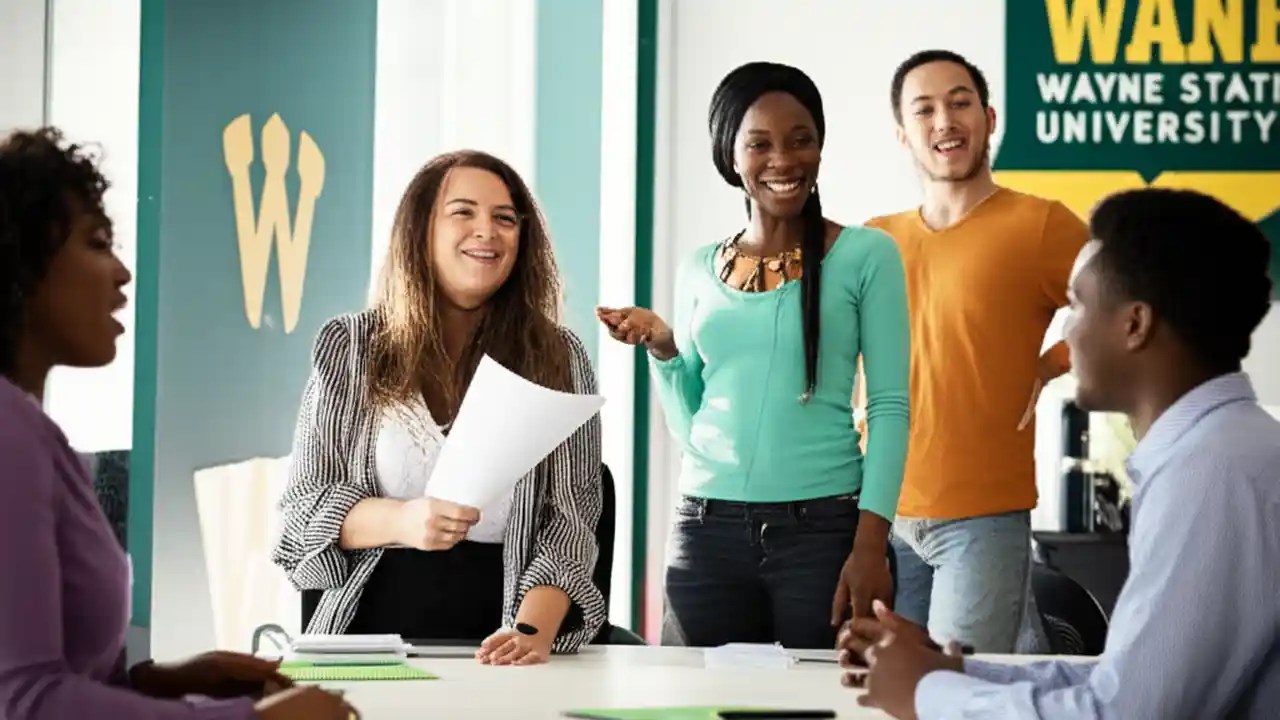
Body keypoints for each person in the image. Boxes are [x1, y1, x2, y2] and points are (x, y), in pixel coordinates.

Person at [843, 187, 1280, 719]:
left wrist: (927, 696)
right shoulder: (1219, 453)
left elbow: (1123, 713)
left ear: (1134, 325)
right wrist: (954, 673)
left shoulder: (1211, 477)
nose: (1066, 332)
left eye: (1075, 305)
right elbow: (1123, 678)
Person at [0, 128, 353, 719]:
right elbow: (25, 702)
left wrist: (169, 682)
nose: (121, 273)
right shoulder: (8, 437)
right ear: (23, 262)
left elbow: (69, 674)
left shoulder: (33, 433)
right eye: (96, 243)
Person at [598, 61, 910, 649]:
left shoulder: (868, 255)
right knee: (699, 706)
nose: (784, 160)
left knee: (817, 706)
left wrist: (870, 545)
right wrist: (664, 350)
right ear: (730, 155)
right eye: (760, 143)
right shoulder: (697, 268)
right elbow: (694, 431)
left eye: (801, 140)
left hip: (822, 533)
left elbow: (891, 407)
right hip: (704, 531)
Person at [271, 150, 604, 665]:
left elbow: (571, 522)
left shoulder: (558, 356)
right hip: (367, 641)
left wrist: (530, 634)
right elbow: (300, 516)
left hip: (502, 642)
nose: (487, 232)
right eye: (463, 212)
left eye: (505, 218)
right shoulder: (352, 346)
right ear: (421, 230)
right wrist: (403, 520)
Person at [862, 49, 1089, 652]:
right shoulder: (875, 240)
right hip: (881, 516)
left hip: (983, 514)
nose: (945, 120)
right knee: (892, 696)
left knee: (958, 692)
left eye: (960, 103)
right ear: (903, 133)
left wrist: (1055, 362)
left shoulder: (1040, 225)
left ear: (989, 117)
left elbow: (1133, 298)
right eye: (926, 109)